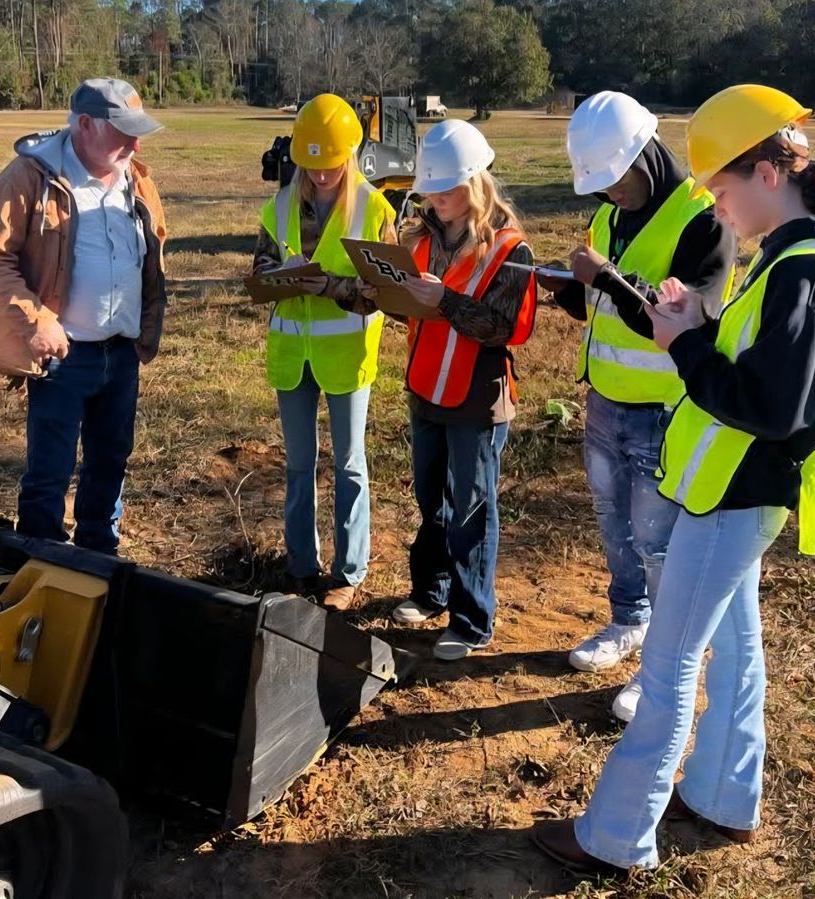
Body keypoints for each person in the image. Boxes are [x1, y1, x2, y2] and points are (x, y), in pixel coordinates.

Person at [533, 83, 815, 872]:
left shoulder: (806, 270)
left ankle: (616, 836)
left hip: (732, 495)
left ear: (769, 171)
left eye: (725, 191)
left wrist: (684, 344)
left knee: (665, 673)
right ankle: (727, 796)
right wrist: (696, 325)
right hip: (733, 493)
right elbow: (766, 377)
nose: (719, 210)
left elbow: (771, 407)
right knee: (736, 646)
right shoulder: (792, 258)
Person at [542, 91, 735, 722]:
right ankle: (628, 621)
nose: (608, 195)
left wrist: (603, 278)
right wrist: (567, 290)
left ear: (646, 155)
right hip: (604, 401)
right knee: (615, 528)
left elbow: (681, 316)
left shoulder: (704, 220)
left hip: (661, 412)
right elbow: (603, 304)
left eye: (614, 181)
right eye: (597, 187)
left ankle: (664, 663)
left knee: (660, 546)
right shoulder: (613, 211)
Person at [0, 77, 167, 555]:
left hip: (121, 354)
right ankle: (42, 564)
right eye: (123, 131)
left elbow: (153, 251)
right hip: (63, 357)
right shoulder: (31, 176)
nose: (135, 143)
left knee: (111, 462)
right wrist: (37, 321)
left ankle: (100, 560)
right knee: (50, 472)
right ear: (83, 125)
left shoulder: (135, 176)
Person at [367, 119, 537, 660]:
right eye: (429, 190)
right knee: (430, 496)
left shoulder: (511, 248)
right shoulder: (421, 238)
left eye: (446, 189)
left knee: (471, 507)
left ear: (477, 180)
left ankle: (471, 619)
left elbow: (505, 329)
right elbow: (407, 307)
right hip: (425, 389)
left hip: (477, 398)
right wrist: (370, 289)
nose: (436, 199)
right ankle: (432, 590)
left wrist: (445, 301)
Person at [251, 94, 396, 611]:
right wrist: (278, 279)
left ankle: (348, 572)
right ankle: (302, 564)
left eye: (330, 163)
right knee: (298, 464)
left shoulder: (376, 209)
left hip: (346, 357)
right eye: (311, 164)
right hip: (293, 357)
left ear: (350, 154)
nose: (321, 173)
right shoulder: (280, 206)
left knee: (350, 464)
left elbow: (387, 290)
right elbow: (260, 273)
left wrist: (328, 287)